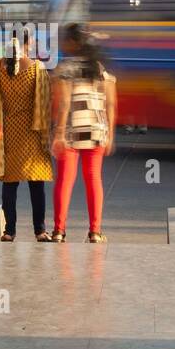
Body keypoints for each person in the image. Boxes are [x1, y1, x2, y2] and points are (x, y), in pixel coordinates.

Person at [0, 26, 53, 242]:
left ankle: (9, 231)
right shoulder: (37, 68)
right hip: (32, 132)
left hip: (9, 131)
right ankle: (40, 230)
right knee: (37, 183)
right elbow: (44, 104)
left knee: (10, 183)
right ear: (29, 43)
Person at [50, 24, 117, 243]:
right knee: (93, 179)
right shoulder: (100, 68)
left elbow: (63, 104)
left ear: (73, 43)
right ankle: (95, 232)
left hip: (71, 131)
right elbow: (111, 104)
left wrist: (58, 133)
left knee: (65, 181)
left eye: (65, 39)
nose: (61, 43)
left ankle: (59, 231)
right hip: (96, 130)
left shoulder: (66, 68)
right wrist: (110, 135)